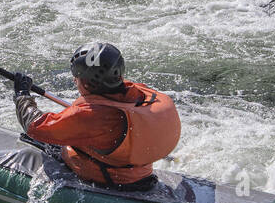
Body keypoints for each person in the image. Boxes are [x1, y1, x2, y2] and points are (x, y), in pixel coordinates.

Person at [13, 43, 181, 189]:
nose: (74, 81)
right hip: (139, 171)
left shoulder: (94, 117)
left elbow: (35, 127)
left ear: (87, 83)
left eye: (76, 78)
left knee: (44, 141)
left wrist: (22, 95)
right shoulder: (145, 95)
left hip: (110, 180)